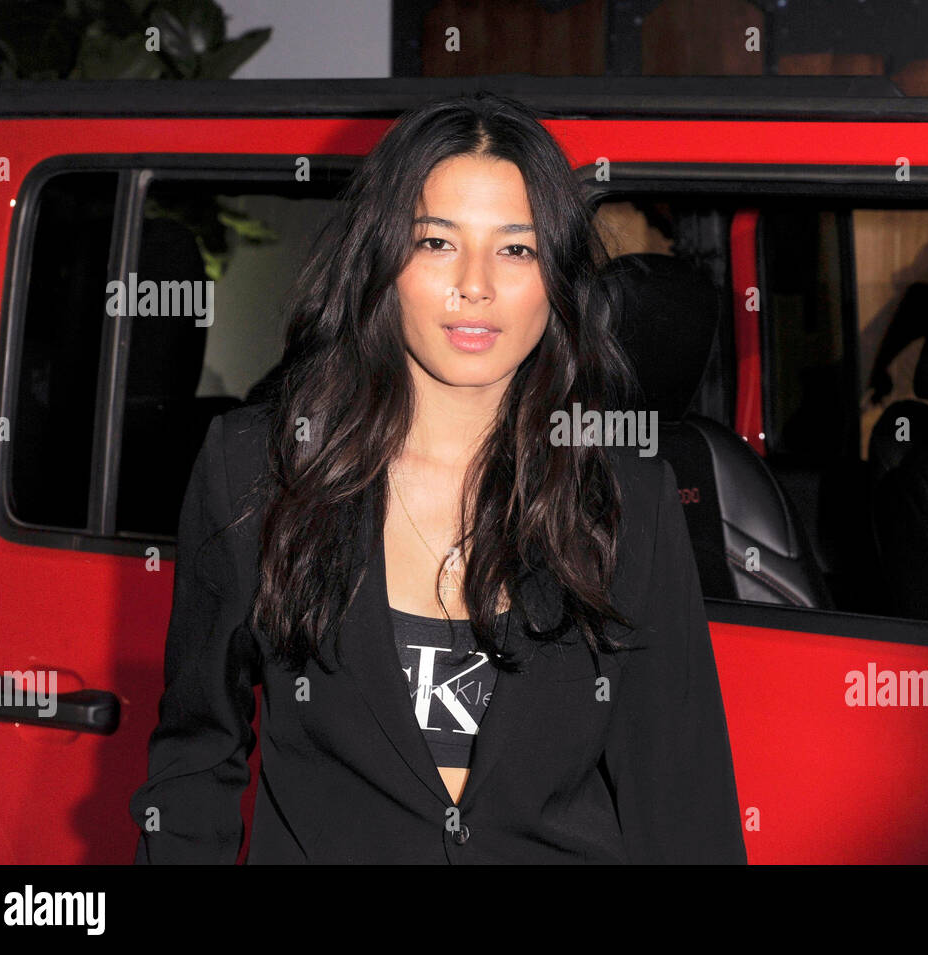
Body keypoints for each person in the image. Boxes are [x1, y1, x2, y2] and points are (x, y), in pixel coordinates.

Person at [128, 91, 747, 864]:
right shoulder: (259, 469)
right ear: (382, 260)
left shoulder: (624, 496)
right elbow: (195, 764)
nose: (475, 284)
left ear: (556, 278)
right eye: (437, 242)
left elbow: (684, 806)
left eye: (515, 249)